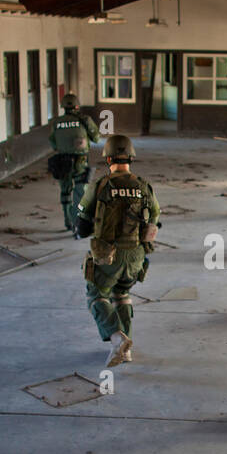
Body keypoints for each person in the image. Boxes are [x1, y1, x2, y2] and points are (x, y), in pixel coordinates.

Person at [74, 135, 160, 366]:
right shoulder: (144, 187)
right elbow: (155, 220)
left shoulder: (100, 186)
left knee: (96, 295)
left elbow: (81, 226)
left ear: (108, 158)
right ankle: (126, 349)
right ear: (131, 158)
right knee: (122, 295)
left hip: (107, 255)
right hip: (136, 256)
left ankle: (116, 337)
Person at [48, 93, 101, 235]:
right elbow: (96, 137)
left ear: (63, 106)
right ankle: (78, 223)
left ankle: (68, 221)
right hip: (80, 161)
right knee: (80, 191)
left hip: (62, 162)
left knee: (65, 192)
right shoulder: (85, 120)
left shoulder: (56, 122)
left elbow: (53, 143)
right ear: (77, 106)